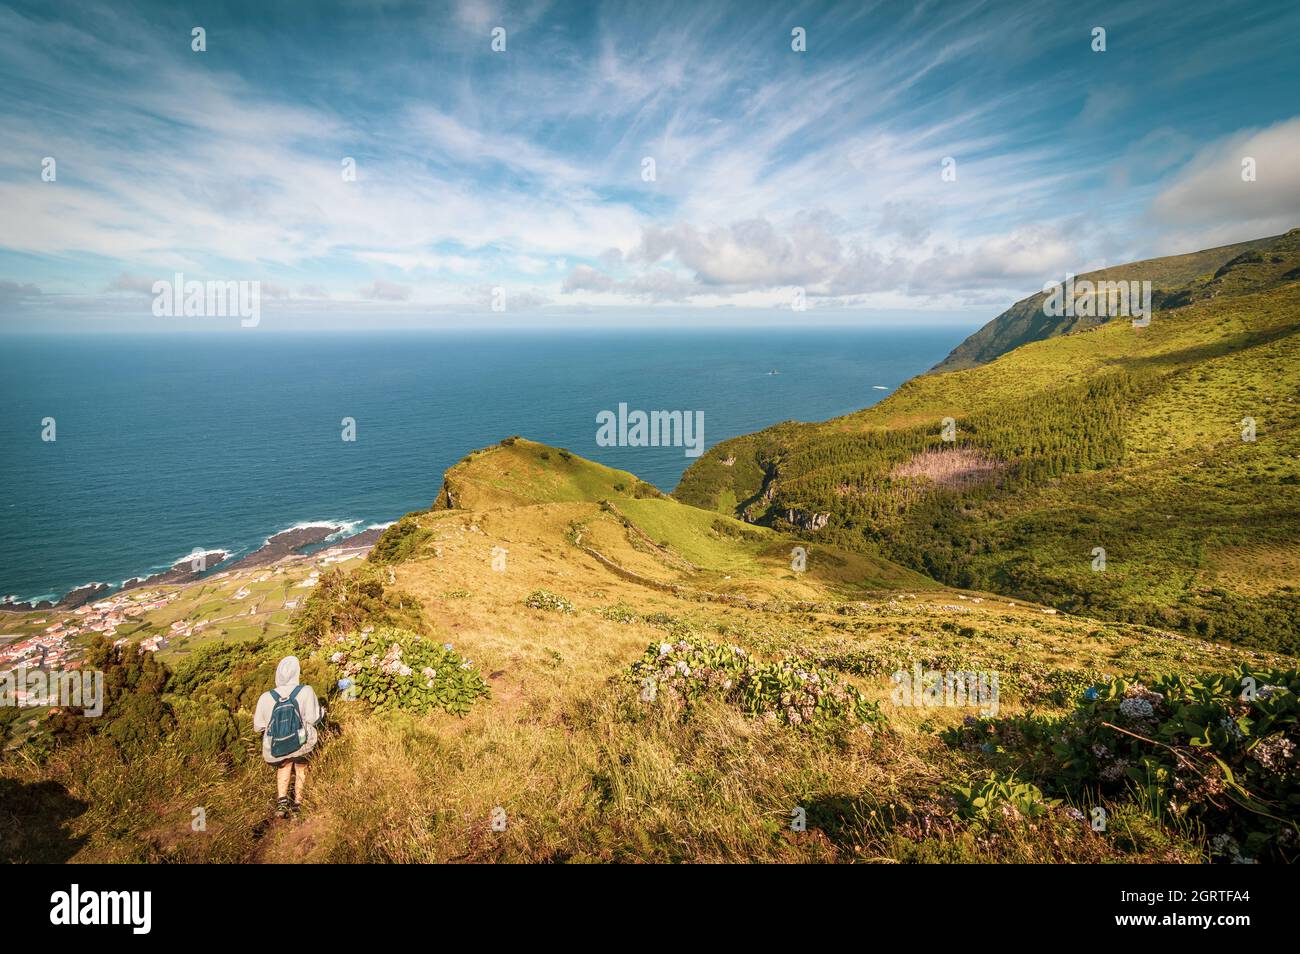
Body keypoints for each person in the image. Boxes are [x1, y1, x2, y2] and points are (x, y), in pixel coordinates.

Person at [252, 655, 325, 819]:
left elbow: (258, 727)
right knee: (301, 766)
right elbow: (313, 719)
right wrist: (323, 712)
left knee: (283, 765)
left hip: (276, 747)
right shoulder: (306, 690)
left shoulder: (265, 697)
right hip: (301, 743)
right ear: (297, 672)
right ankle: (298, 804)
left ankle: (282, 802)